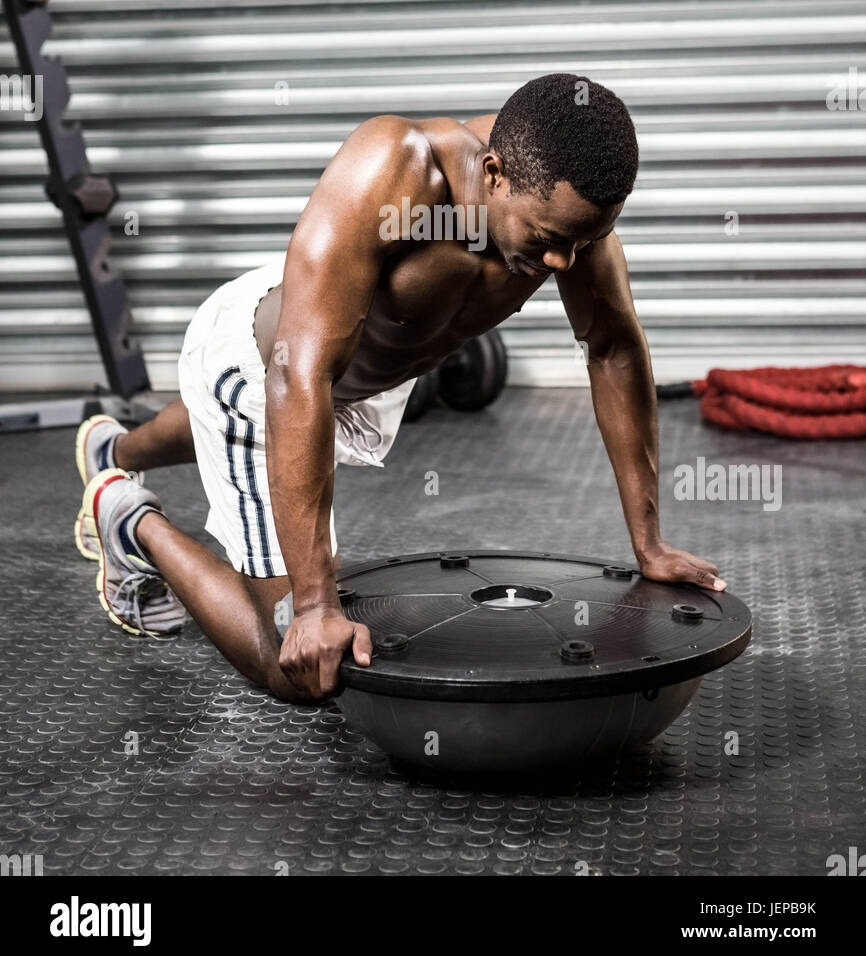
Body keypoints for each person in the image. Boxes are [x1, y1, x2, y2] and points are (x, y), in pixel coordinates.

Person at [74, 73, 725, 702]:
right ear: (495, 174)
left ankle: (117, 452)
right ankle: (129, 520)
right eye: (550, 240)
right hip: (261, 364)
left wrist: (650, 545)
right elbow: (297, 371)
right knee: (298, 668)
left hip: (350, 369)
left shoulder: (568, 228)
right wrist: (314, 605)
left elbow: (613, 350)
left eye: (588, 240)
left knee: (237, 422)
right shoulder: (398, 170)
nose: (565, 264)